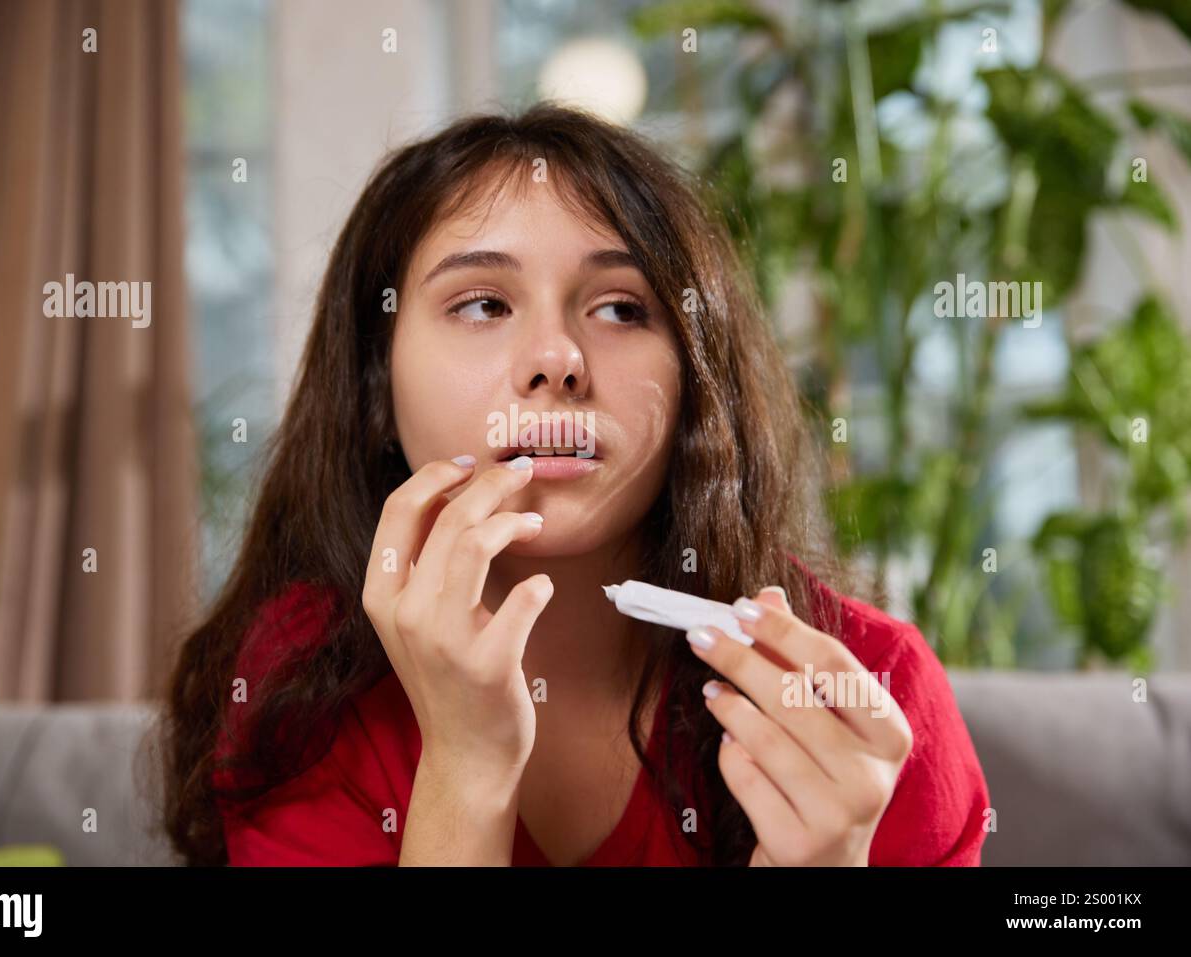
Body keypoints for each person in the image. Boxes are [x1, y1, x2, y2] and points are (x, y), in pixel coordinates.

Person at [162, 103, 989, 867]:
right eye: (484, 304)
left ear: (698, 384)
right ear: (377, 389)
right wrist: (466, 766)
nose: (556, 359)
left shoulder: (871, 695)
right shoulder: (296, 689)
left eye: (623, 309)